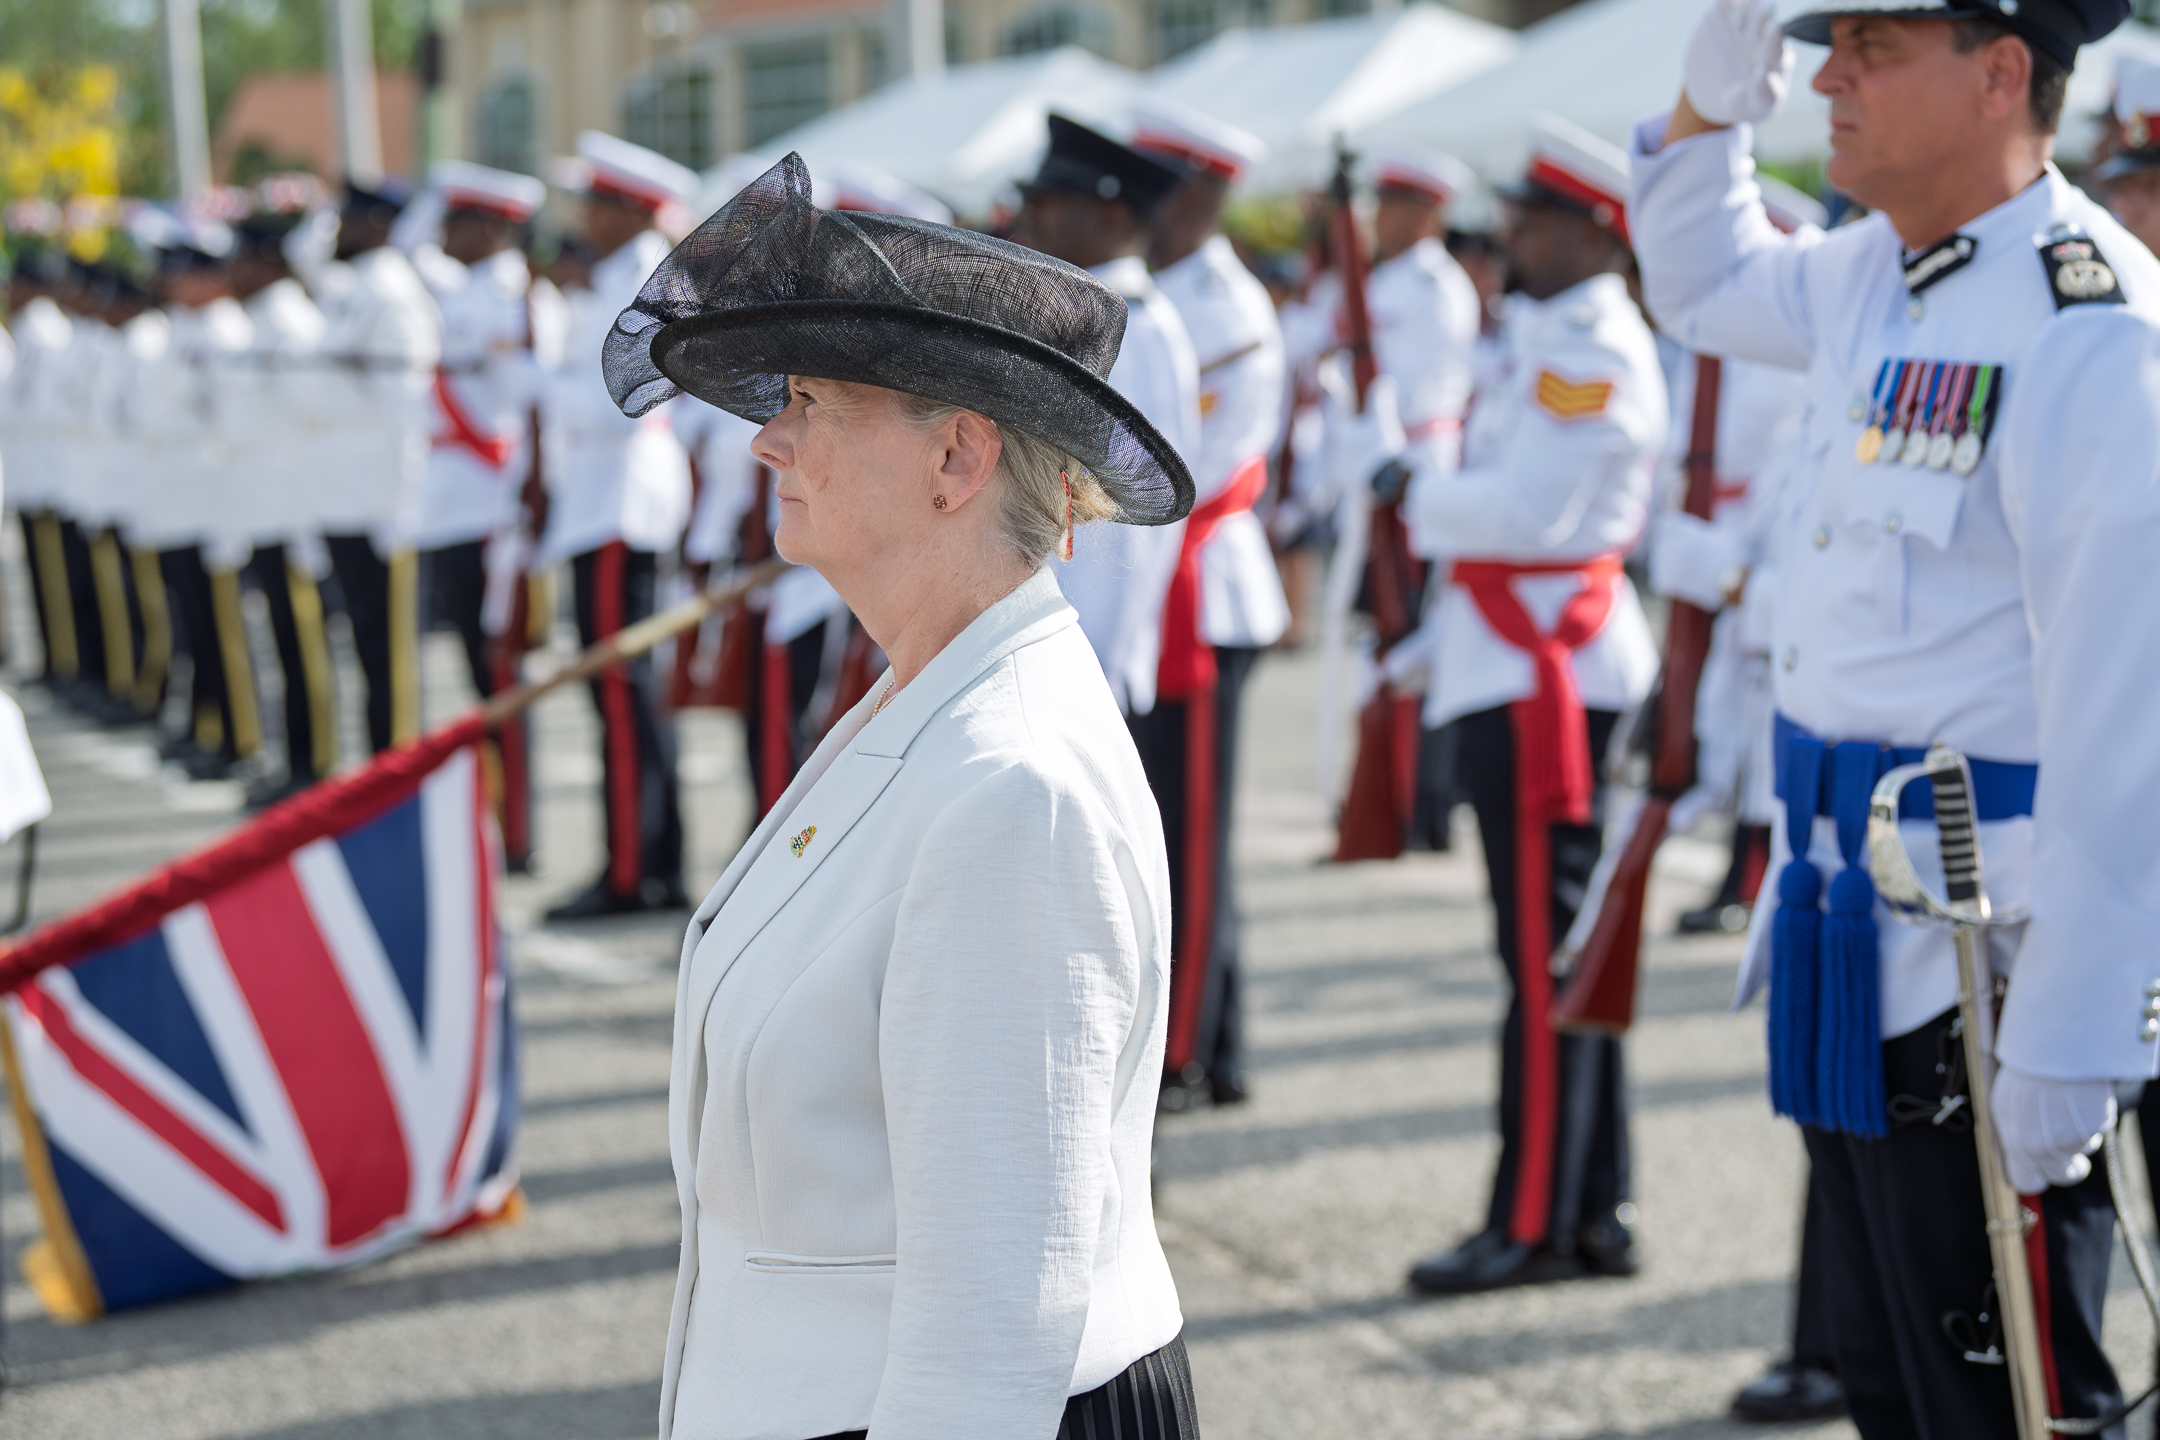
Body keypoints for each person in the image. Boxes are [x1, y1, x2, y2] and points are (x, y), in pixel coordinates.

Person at [608, 153, 1198, 1439]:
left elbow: (996, 1322)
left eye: (814, 400)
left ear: (957, 458)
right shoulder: (925, 694)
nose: (771, 437)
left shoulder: (1012, 789)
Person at [1631, 0, 2160, 1429]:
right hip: (1842, 919)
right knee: (1888, 1383)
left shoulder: (2088, 327)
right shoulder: (1874, 271)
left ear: (2002, 74)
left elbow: (2129, 727)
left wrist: (2071, 1030)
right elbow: (1695, 281)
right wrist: (1702, 111)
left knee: (2009, 1397)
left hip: (1985, 968)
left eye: (1874, 44)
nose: (1827, 74)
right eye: (1827, 41)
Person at [1400, 119, 1665, 1296]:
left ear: (1595, 236)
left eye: (1532, 220)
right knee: (1558, 955)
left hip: (1541, 670)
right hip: (1512, 658)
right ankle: (1588, 1204)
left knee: (1546, 963)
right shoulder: (1549, 334)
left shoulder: (1592, 346)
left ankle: (1539, 1220)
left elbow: (1531, 514)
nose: (1508, 237)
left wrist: (1414, 490)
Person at [1129, 98, 1289, 1108]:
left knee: (1189, 837)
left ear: (1204, 195)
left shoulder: (1222, 310)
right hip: (1168, 582)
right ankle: (1215, 1041)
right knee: (1172, 834)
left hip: (1202, 591)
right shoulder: (1164, 294)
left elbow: (1184, 468)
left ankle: (1187, 1048)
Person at [539, 131, 697, 920]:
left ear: (626, 210)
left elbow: (620, 403)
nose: (581, 217)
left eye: (593, 202)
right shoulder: (616, 277)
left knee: (622, 692)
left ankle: (633, 870)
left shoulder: (636, 280)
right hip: (606, 502)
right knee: (628, 696)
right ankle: (653, 861)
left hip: (616, 503)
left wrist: (543, 381)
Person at [412, 161, 562, 864]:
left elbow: (532, 410)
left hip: (492, 507)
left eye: (456, 221)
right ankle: (501, 820)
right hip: (452, 504)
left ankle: (520, 831)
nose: (442, 233)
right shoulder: (464, 293)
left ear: (488, 228)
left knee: (498, 670)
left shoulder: (515, 300)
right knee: (478, 673)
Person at [313, 180, 440, 757]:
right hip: (349, 495)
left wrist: (403, 506)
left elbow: (409, 413)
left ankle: (397, 781)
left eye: (349, 220)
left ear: (378, 227)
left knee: (391, 661)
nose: (337, 231)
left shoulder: (391, 294)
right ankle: (378, 777)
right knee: (367, 649)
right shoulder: (361, 289)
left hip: (381, 503)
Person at [227, 193, 336, 806]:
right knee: (284, 641)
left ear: (267, 262)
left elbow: (310, 419)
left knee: (304, 639)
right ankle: (296, 759)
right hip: (266, 504)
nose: (229, 277)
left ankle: (314, 762)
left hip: (294, 505)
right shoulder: (266, 318)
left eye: (239, 262)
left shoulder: (291, 321)